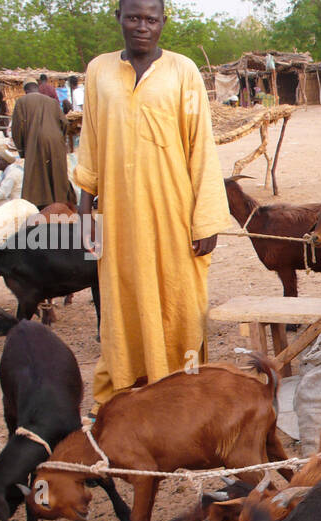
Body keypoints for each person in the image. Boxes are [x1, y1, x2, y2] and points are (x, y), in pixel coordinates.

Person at [74, 0, 230, 411]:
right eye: (134, 17)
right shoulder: (98, 71)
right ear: (119, 19)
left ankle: (184, 394)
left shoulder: (183, 71)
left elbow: (201, 147)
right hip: (119, 218)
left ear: (163, 22)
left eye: (151, 19)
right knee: (121, 301)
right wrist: (84, 211)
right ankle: (127, 393)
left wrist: (207, 219)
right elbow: (88, 145)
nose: (142, 26)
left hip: (173, 213)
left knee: (181, 302)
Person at [11, 81, 74, 208]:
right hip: (56, 140)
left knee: (37, 174)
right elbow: (65, 123)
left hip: (35, 141)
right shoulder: (52, 101)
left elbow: (17, 128)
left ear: (25, 90)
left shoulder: (21, 102)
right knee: (57, 172)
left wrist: (22, 150)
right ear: (37, 88)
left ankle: (41, 206)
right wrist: (59, 138)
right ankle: (60, 202)